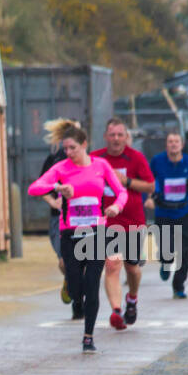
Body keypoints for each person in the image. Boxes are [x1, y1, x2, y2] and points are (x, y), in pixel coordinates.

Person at [28, 119, 126, 353]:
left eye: (72, 148)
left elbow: (121, 192)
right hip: (70, 234)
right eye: (65, 148)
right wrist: (58, 189)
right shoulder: (61, 168)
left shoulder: (100, 166)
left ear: (84, 144)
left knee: (92, 285)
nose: (68, 152)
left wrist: (116, 208)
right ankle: (72, 291)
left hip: (95, 232)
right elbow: (34, 188)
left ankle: (88, 336)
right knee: (75, 289)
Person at [92, 118, 153, 330]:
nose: (116, 139)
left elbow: (150, 186)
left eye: (120, 135)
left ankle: (132, 299)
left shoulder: (135, 158)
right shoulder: (96, 158)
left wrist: (126, 181)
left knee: (133, 268)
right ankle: (116, 311)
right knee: (112, 264)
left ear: (126, 137)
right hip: (108, 221)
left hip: (134, 222)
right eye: (112, 135)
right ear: (105, 137)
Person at [149, 130, 188, 298]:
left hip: (183, 211)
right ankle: (165, 261)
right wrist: (152, 195)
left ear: (182, 145)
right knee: (166, 250)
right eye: (170, 141)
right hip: (163, 211)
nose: (173, 144)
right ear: (166, 145)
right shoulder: (157, 161)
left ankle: (178, 286)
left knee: (185, 252)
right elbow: (148, 180)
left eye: (176, 141)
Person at [37, 137, 71, 305]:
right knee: (65, 262)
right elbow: (41, 186)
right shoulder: (54, 160)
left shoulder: (89, 162)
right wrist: (52, 201)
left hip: (82, 218)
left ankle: (79, 300)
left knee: (84, 263)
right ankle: (69, 281)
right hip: (59, 218)